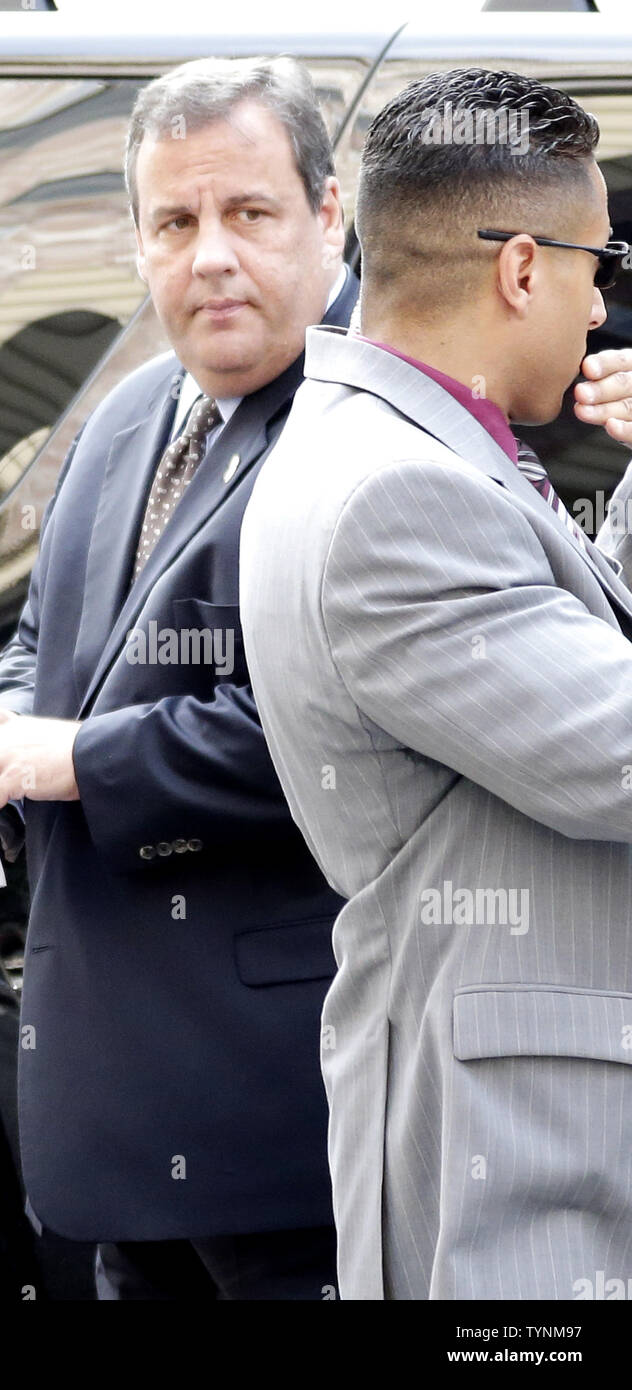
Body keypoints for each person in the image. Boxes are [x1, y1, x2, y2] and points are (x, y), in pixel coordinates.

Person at [0, 56, 357, 1300]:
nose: (208, 256)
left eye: (247, 214)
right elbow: (56, 637)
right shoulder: (126, 413)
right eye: (173, 222)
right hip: (111, 1104)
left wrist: (79, 758)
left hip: (285, 1113)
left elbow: (341, 719)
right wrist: (5, 712)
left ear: (329, 212)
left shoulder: (379, 423)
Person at [239, 66, 632, 1300]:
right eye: (597, 269)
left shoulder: (408, 446)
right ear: (523, 267)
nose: (600, 313)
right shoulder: (396, 492)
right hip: (514, 1160)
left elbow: (575, 640)